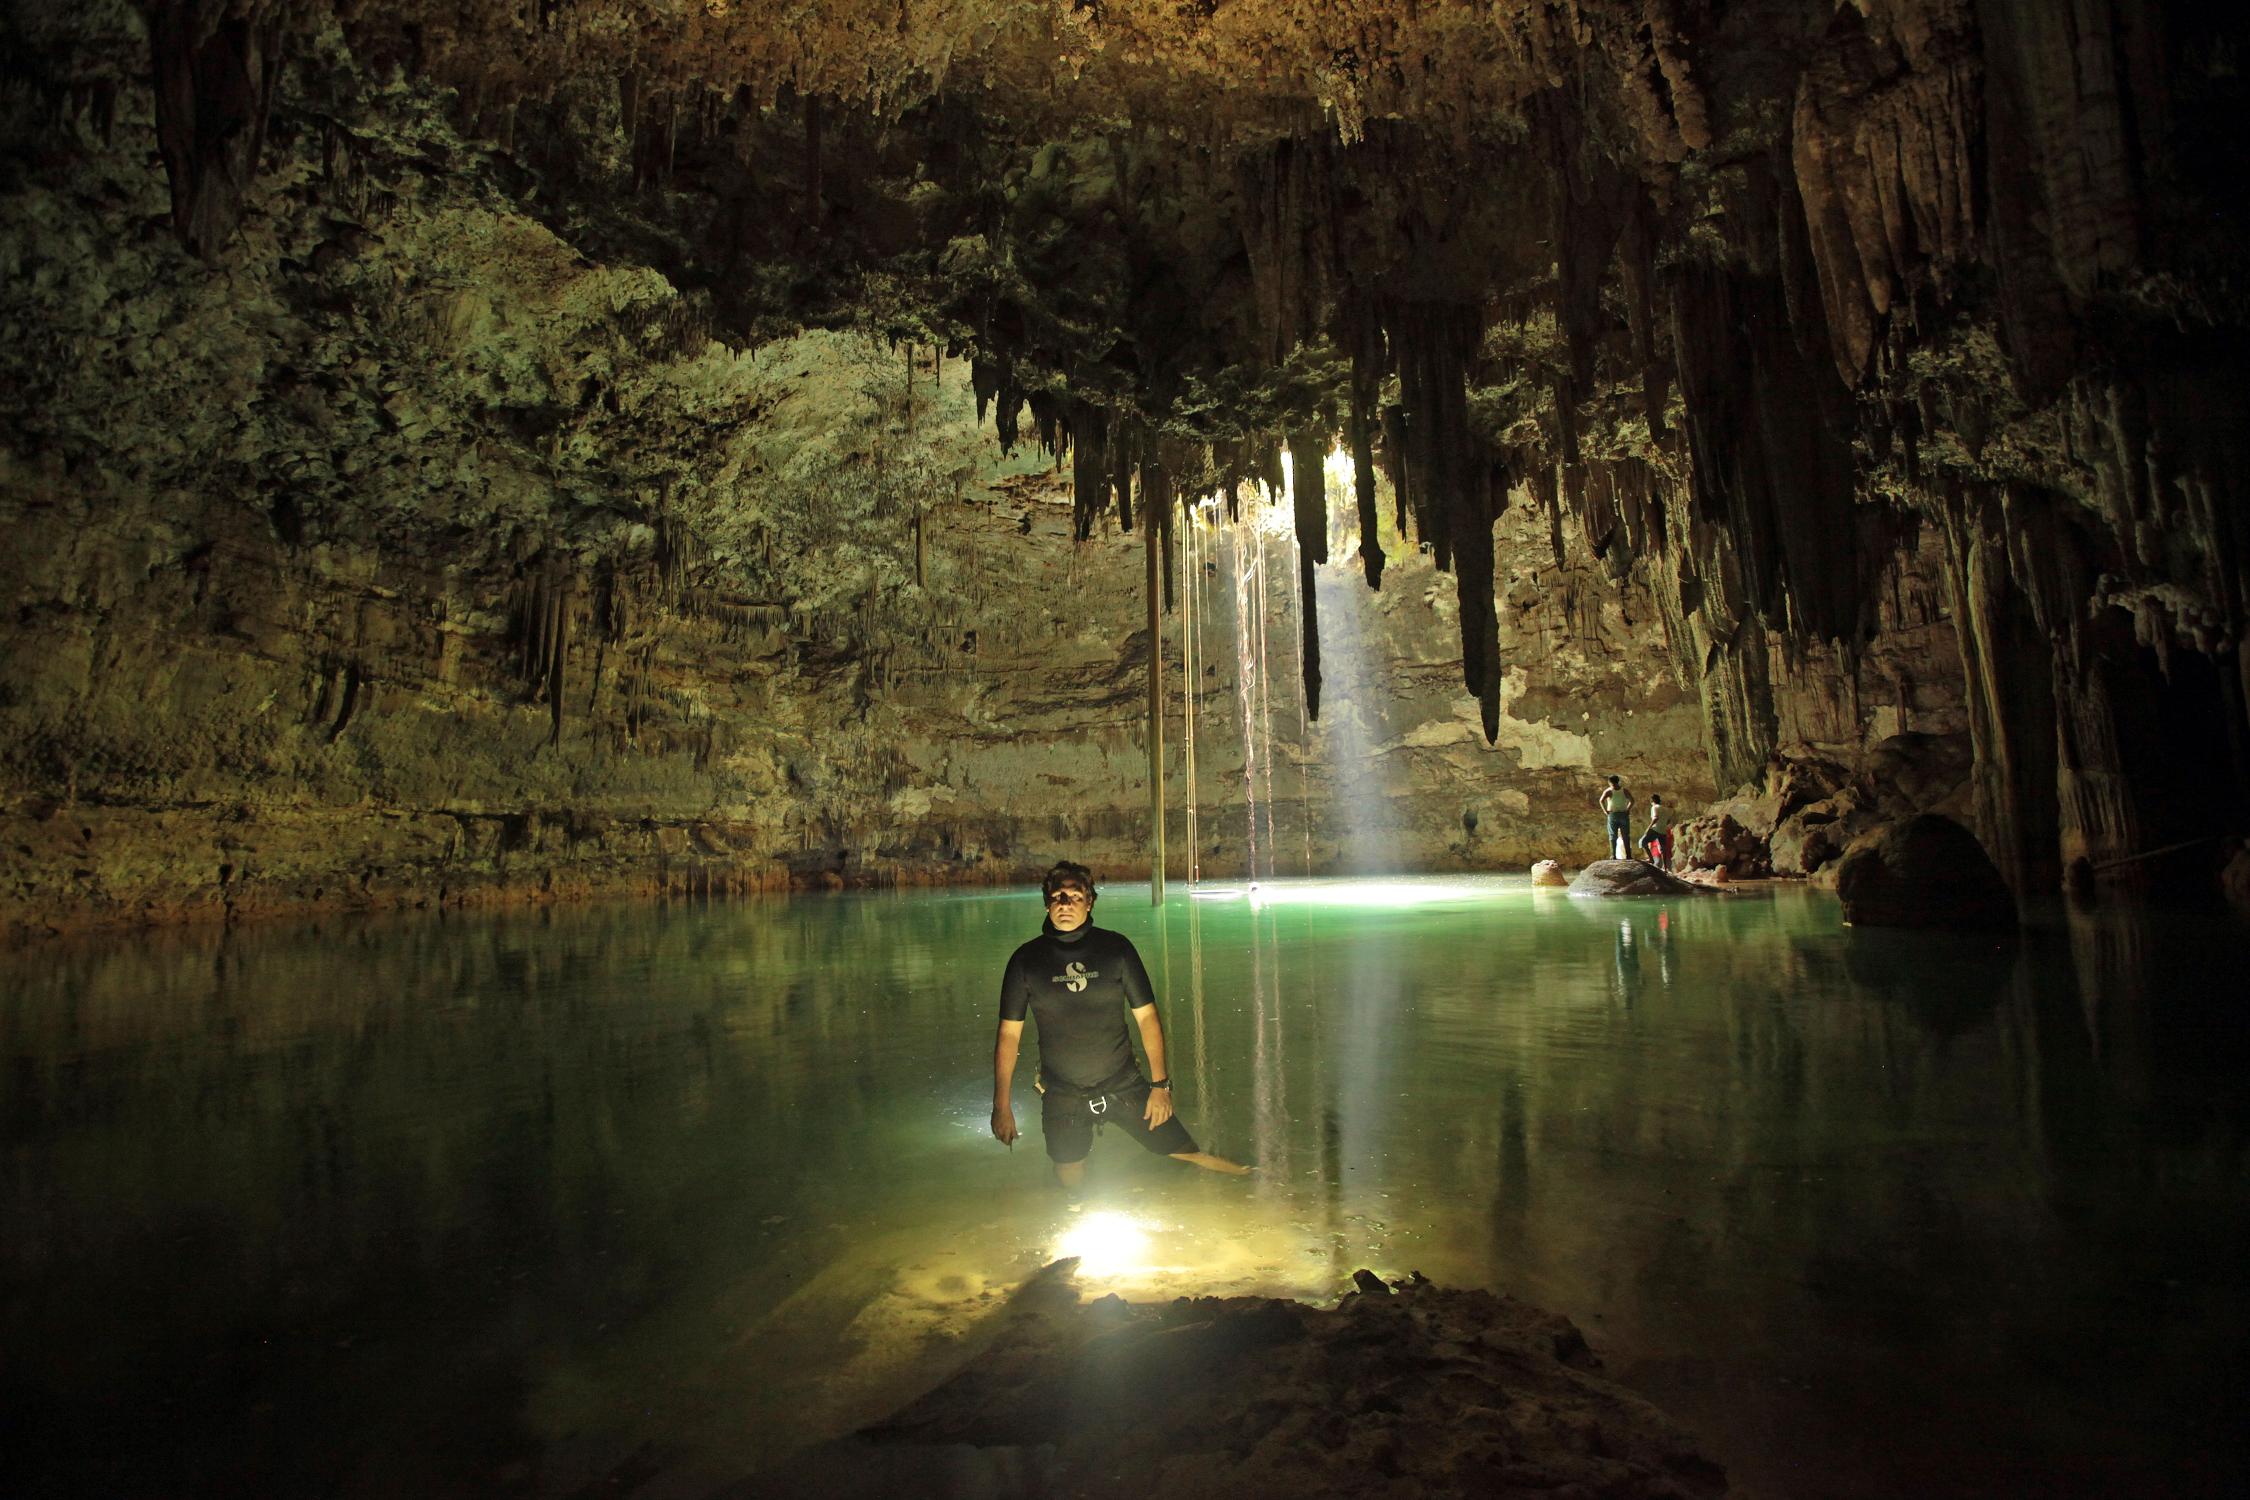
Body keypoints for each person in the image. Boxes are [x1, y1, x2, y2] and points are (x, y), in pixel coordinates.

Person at [990, 862, 1246, 1187]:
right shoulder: (1026, 960)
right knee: (1068, 1172)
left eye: (1075, 896)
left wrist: (1160, 1087)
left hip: (1124, 1084)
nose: (1065, 904)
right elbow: (1008, 1035)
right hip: (1063, 1092)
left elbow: (1147, 1017)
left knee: (1187, 1153)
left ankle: (1250, 1179)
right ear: (1046, 903)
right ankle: (1076, 1204)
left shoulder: (1116, 950)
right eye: (1057, 897)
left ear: (1089, 902)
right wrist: (1001, 1104)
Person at [1596, 775, 1633, 859]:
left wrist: (1605, 811)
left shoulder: (1608, 791)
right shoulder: (1624, 791)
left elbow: (1601, 800)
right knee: (1625, 835)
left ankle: (1613, 856)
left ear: (1609, 782)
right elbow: (1632, 801)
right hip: (1623, 814)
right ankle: (1628, 855)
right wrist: (1627, 809)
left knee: (1613, 835)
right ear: (1618, 781)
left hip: (1613, 814)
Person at [1640, 792, 1674, 871]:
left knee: (1642, 842)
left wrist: (1648, 828)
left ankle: (1651, 859)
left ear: (1652, 801)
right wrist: (1663, 825)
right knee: (1663, 848)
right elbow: (1668, 820)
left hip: (1655, 829)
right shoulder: (1665, 809)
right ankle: (1665, 867)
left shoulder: (1654, 807)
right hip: (1663, 830)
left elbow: (1655, 818)